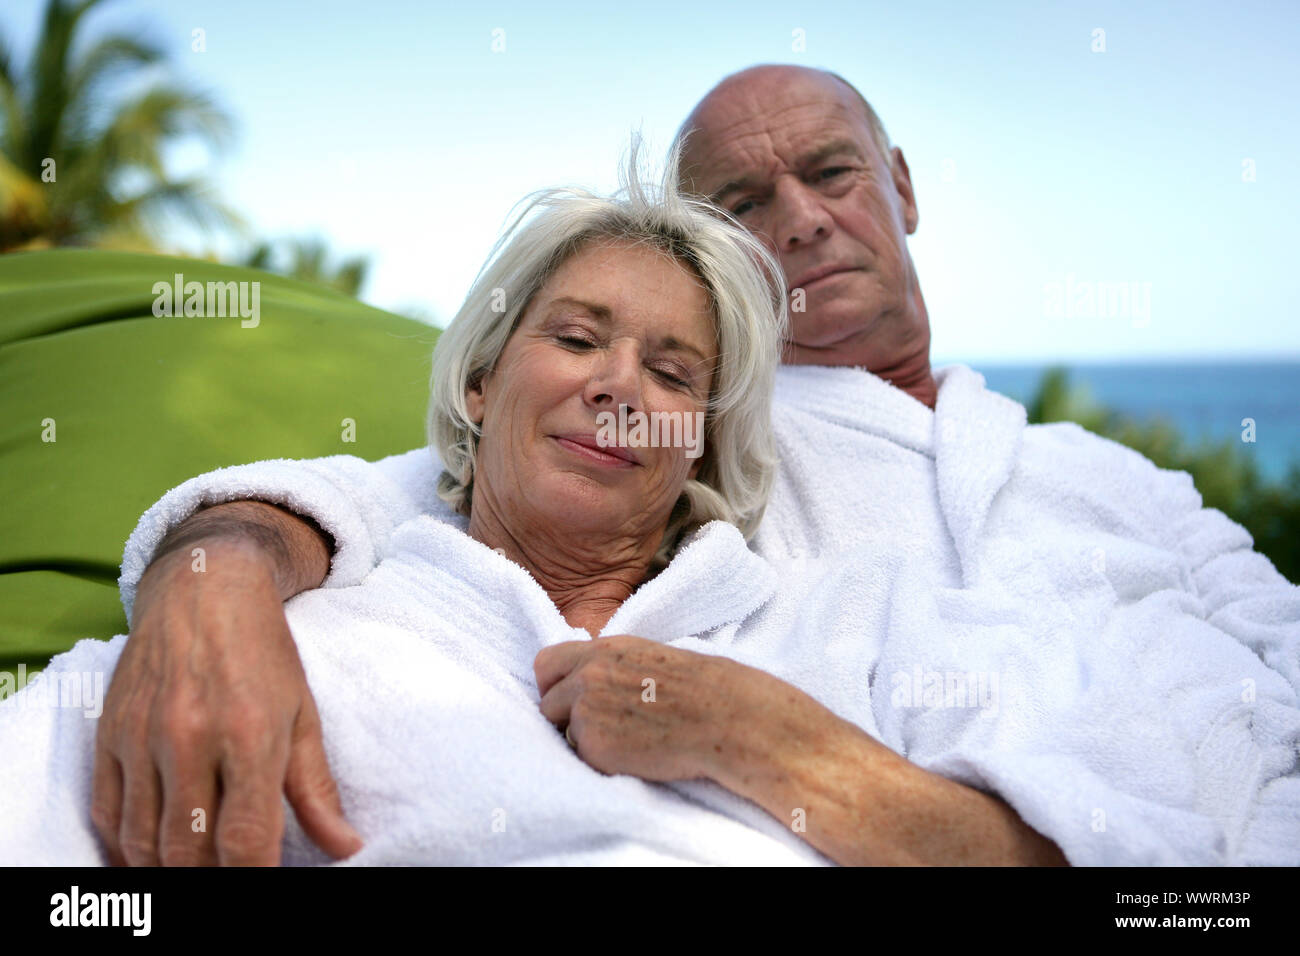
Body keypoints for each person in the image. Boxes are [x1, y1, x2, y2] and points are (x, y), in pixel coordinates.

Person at [94, 66, 1300, 865]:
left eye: (829, 171)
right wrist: (213, 584)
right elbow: (432, 490)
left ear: (902, 187)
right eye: (740, 198)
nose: (800, 217)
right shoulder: (680, 437)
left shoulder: (1109, 477)